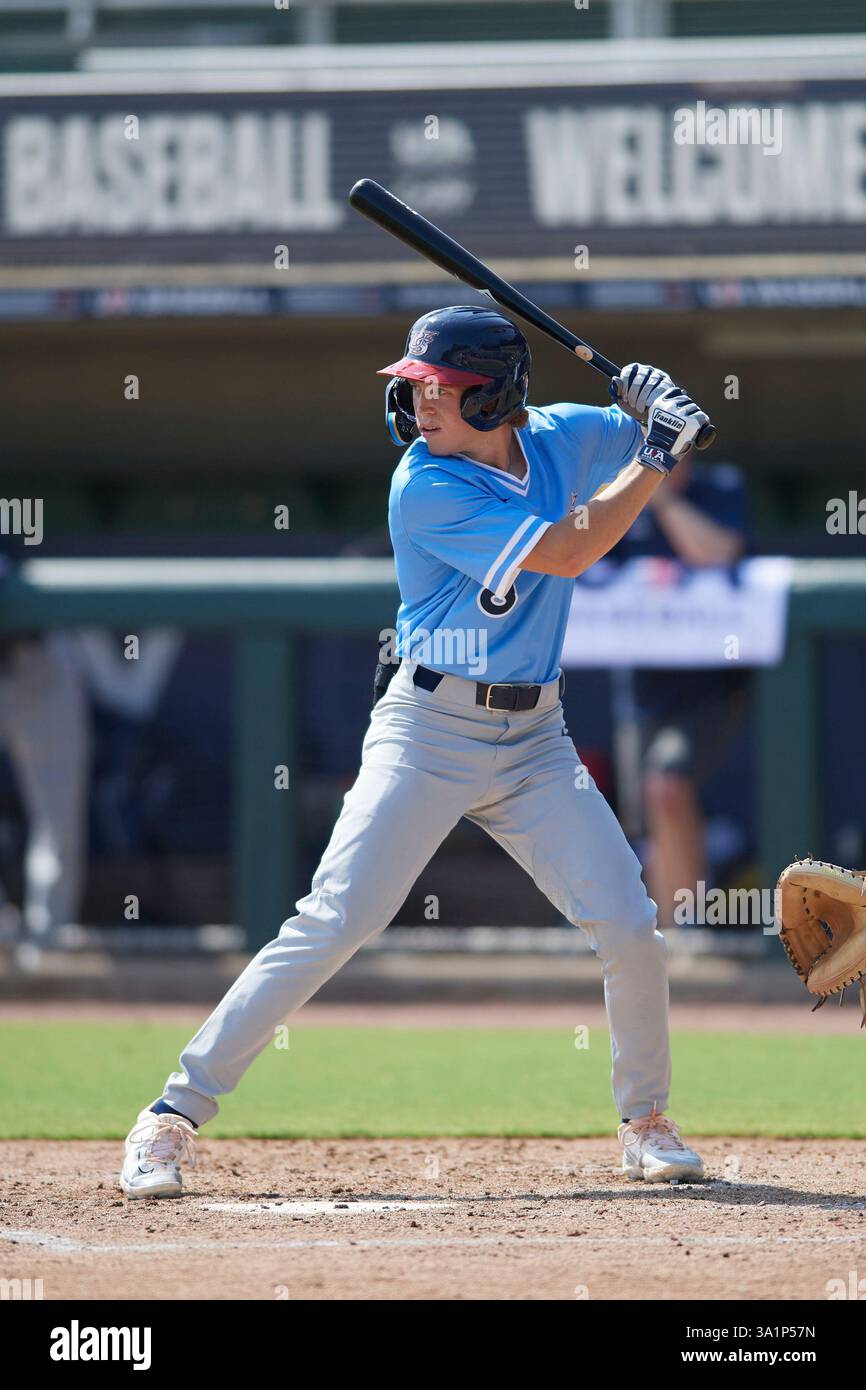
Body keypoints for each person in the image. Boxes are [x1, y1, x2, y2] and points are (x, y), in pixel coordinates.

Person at [120, 308, 709, 1197]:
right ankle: (169, 1116)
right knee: (335, 917)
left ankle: (647, 1122)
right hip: (429, 730)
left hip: (536, 738)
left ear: (499, 392)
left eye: (442, 387)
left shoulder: (561, 437)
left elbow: (669, 441)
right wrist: (654, 455)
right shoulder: (425, 485)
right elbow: (577, 546)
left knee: (628, 923)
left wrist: (659, 409)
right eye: (416, 386)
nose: (420, 401)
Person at [611, 456, 749, 929]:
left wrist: (662, 496)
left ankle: (686, 928)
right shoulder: (616, 497)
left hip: (709, 687)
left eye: (677, 445)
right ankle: (665, 935)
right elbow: (578, 562)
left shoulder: (721, 486)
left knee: (667, 784)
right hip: (641, 691)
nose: (669, 457)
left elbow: (716, 553)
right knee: (646, 823)